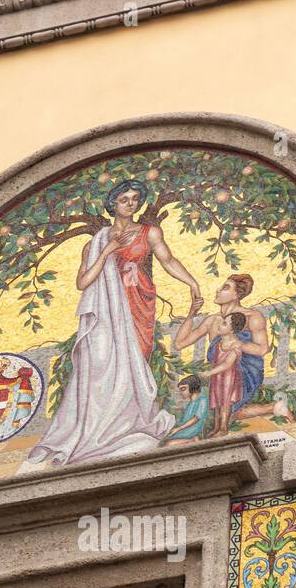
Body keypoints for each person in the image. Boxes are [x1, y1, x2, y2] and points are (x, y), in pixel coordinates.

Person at [26, 179, 202, 468]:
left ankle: (131, 421)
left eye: (135, 198)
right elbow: (83, 282)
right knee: (101, 364)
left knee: (136, 362)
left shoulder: (149, 232)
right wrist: (107, 252)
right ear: (112, 204)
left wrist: (192, 283)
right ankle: (96, 428)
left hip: (139, 304)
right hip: (106, 310)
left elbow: (168, 260)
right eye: (124, 199)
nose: (130, 203)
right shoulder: (95, 243)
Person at [173, 273, 269, 412]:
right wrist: (192, 313)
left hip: (243, 375)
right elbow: (179, 344)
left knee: (225, 413)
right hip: (218, 375)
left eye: (225, 287)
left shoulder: (252, 317)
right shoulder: (212, 320)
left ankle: (270, 408)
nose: (218, 290)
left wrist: (238, 345)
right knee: (221, 414)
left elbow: (262, 350)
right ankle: (272, 408)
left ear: (237, 294)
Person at [199, 313, 248, 436]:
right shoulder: (218, 343)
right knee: (216, 402)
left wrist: (209, 372)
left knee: (225, 403)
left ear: (232, 329)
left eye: (224, 323)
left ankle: (223, 428)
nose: (220, 325)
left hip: (229, 378)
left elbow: (227, 364)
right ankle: (216, 427)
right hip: (217, 377)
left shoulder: (236, 345)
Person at [163, 375, 208, 443]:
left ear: (193, 387)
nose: (181, 393)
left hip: (192, 429)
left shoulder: (202, 400)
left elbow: (196, 419)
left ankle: (192, 440)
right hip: (185, 428)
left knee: (169, 444)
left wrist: (179, 428)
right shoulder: (191, 403)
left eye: (183, 389)